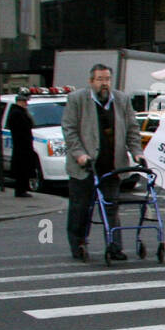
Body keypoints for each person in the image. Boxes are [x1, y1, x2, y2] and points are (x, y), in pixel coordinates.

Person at [62, 64, 142, 261]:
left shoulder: (122, 100)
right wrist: (80, 154)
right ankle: (78, 244)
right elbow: (69, 130)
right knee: (80, 208)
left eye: (107, 79)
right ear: (91, 82)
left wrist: (137, 153)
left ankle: (115, 247)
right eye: (100, 79)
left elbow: (132, 129)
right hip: (85, 166)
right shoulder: (77, 99)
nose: (104, 83)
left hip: (111, 166)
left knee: (111, 207)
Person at [6, 89, 36, 196]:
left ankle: (23, 188)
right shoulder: (17, 113)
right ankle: (20, 190)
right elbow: (22, 129)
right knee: (22, 168)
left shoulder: (19, 112)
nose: (26, 103)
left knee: (25, 167)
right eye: (25, 101)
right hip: (21, 145)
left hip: (24, 144)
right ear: (20, 101)